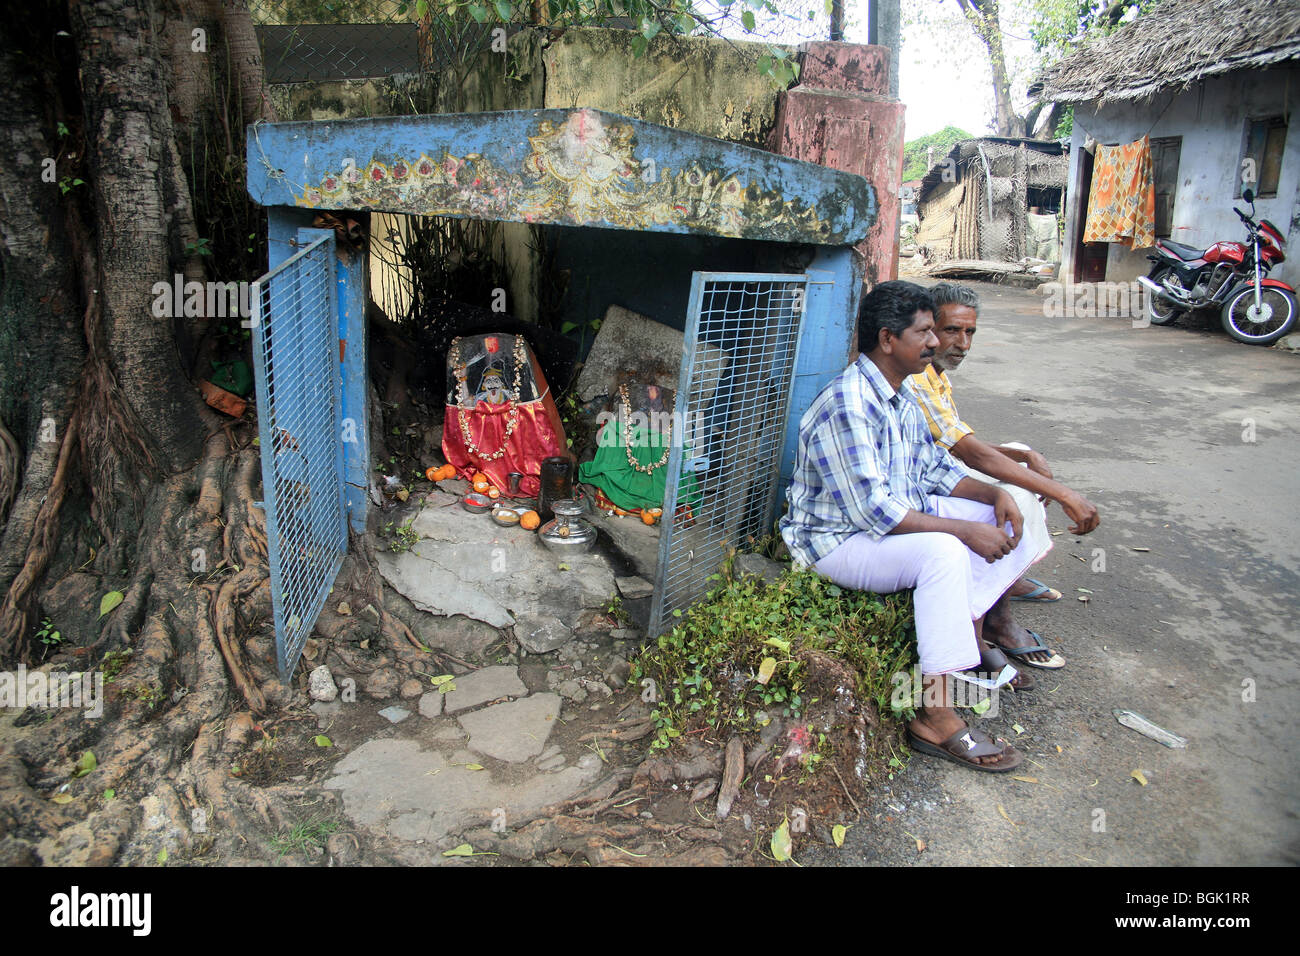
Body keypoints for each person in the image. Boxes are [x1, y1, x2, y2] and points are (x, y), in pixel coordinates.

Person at [779, 281, 1039, 773]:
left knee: (1005, 509)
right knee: (943, 550)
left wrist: (994, 494)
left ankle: (973, 639)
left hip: (880, 532)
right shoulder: (849, 404)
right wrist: (963, 532)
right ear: (887, 339)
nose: (936, 342)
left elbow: (934, 469)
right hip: (837, 543)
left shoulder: (901, 395)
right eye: (924, 332)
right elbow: (873, 513)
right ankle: (935, 717)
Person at [907, 282, 1101, 666]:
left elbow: (957, 439)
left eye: (970, 332)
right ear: (928, 328)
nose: (963, 343)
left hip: (939, 468)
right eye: (952, 331)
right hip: (922, 485)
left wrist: (1023, 453)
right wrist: (1064, 493)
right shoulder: (916, 375)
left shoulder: (935, 374)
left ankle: (1007, 579)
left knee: (1019, 461)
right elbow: (969, 453)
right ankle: (995, 615)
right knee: (1022, 495)